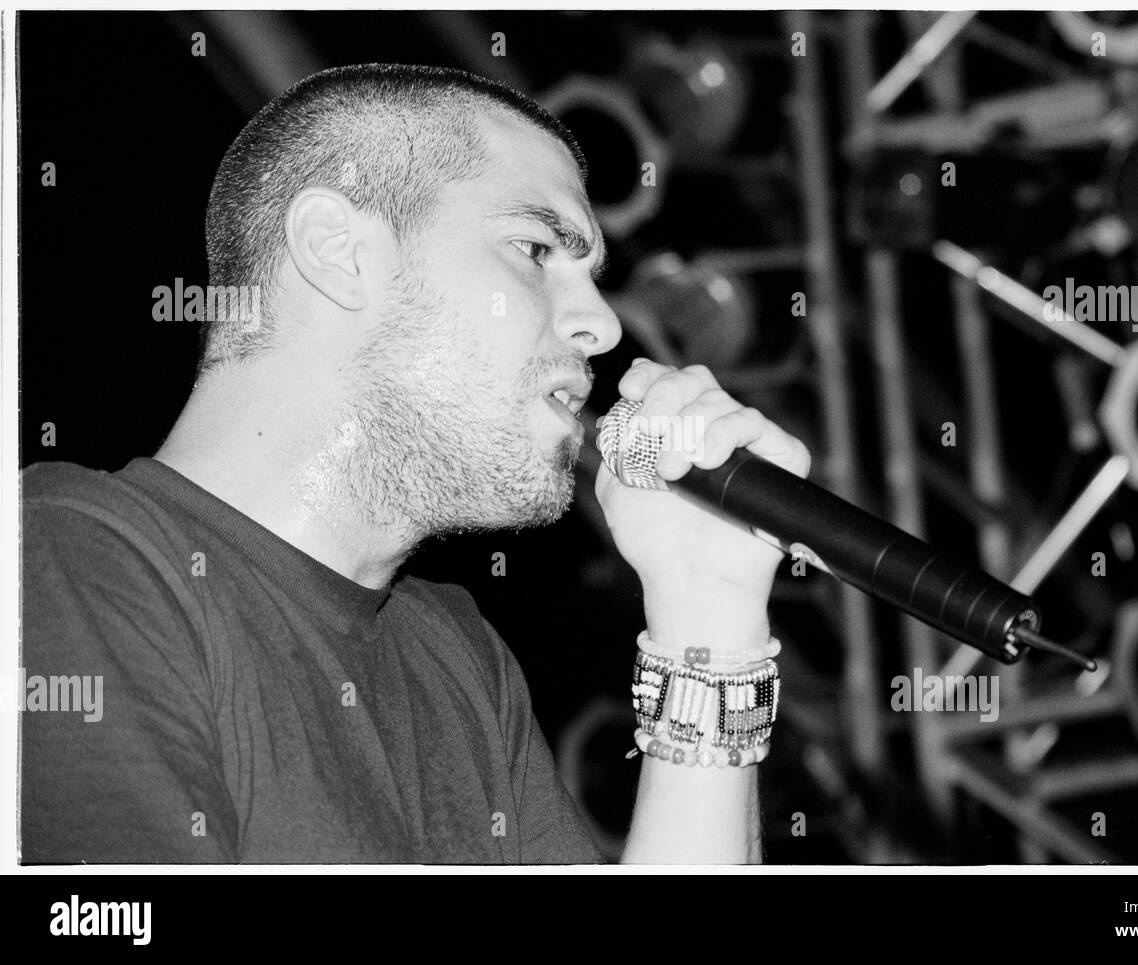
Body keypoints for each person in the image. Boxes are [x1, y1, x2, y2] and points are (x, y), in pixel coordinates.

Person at [21, 64, 810, 864]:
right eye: (535, 249)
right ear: (339, 252)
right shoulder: (69, 556)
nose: (602, 325)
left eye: (594, 279)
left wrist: (707, 622)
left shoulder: (456, 659)